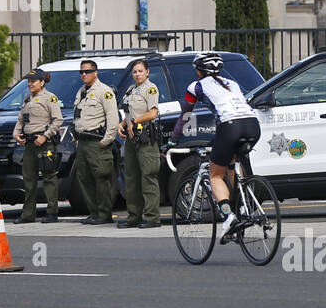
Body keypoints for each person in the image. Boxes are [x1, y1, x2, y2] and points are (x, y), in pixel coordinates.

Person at [169, 52, 260, 241]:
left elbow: (185, 115)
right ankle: (242, 205)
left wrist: (172, 139)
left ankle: (228, 216)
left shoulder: (196, 86)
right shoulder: (232, 83)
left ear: (200, 70)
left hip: (230, 126)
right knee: (232, 163)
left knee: (215, 174)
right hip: (252, 125)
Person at [11, 68, 64, 223]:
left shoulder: (50, 98)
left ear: (42, 82)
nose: (30, 84)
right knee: (28, 179)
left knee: (49, 178)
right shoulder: (27, 98)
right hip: (29, 144)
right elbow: (21, 119)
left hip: (45, 143)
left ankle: (52, 213)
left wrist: (45, 136)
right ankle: (28, 215)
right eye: (28, 81)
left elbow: (58, 120)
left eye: (33, 81)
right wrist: (16, 133)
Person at [71, 59, 121, 224]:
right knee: (84, 177)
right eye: (82, 72)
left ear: (95, 72)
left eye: (87, 71)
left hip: (97, 142)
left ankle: (104, 214)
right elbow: (78, 115)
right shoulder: (81, 91)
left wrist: (107, 140)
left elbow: (112, 118)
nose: (84, 74)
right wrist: (76, 137)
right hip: (83, 142)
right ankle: (94, 212)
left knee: (101, 178)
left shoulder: (104, 91)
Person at [117, 58, 161, 228]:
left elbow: (152, 113)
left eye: (140, 71)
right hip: (131, 137)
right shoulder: (130, 90)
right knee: (131, 178)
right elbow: (128, 112)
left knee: (148, 176)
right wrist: (122, 125)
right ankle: (133, 216)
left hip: (145, 136)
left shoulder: (150, 88)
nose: (137, 74)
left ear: (147, 72)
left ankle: (151, 217)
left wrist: (134, 121)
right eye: (134, 72)